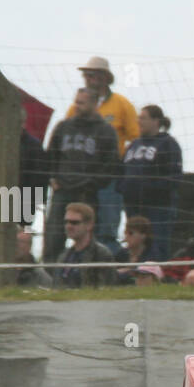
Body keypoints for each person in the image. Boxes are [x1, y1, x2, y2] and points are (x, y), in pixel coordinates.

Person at [67, 57, 138, 245]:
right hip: (79, 178)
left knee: (106, 227)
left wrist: (123, 158)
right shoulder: (75, 108)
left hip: (109, 176)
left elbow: (137, 138)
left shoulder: (122, 104)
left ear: (106, 78)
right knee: (78, 227)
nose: (89, 79)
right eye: (86, 75)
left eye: (94, 75)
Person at [45, 88, 121, 261]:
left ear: (95, 104)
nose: (77, 106)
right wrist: (53, 177)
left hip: (86, 192)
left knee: (85, 237)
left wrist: (92, 183)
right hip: (62, 190)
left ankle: (85, 274)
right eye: (76, 101)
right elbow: (51, 155)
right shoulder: (63, 126)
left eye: (81, 102)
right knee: (53, 236)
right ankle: (51, 278)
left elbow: (111, 164)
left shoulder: (105, 131)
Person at [118, 104, 183, 258]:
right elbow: (121, 171)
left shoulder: (168, 143)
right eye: (138, 118)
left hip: (158, 208)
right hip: (133, 205)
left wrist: (149, 188)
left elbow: (174, 177)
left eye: (143, 118)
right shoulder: (133, 145)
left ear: (156, 121)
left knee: (157, 246)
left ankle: (156, 275)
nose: (139, 122)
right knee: (134, 243)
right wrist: (123, 188)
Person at [54, 202, 116, 288]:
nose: (68, 226)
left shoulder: (101, 255)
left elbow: (107, 289)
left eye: (74, 222)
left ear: (89, 225)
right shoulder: (63, 256)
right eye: (66, 222)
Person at [113, 215, 161, 285]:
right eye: (125, 233)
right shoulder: (122, 253)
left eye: (130, 233)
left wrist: (126, 271)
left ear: (143, 235)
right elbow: (111, 274)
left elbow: (144, 274)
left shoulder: (152, 254)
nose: (126, 237)